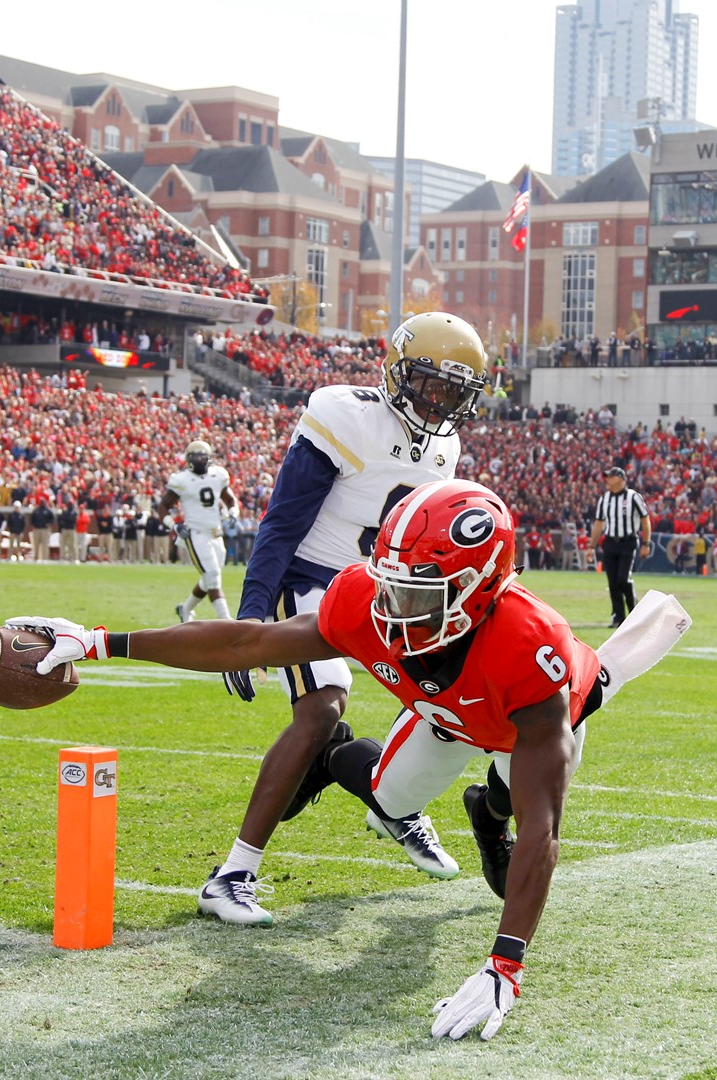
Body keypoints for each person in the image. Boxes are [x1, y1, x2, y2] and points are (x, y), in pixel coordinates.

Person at [4, 480, 691, 1042]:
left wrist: (503, 965)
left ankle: (485, 814)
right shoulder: (369, 599)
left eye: (419, 595)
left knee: (514, 800)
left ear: (481, 591)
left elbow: (546, 831)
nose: (393, 610)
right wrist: (100, 642)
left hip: (523, 721)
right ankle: (338, 757)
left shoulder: (529, 653)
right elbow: (250, 642)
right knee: (391, 802)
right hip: (443, 711)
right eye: (391, 584)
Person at [201, 311, 490, 926]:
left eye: (455, 394)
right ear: (398, 371)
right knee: (321, 707)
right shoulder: (345, 415)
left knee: (449, 700)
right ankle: (232, 874)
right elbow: (282, 521)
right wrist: (252, 619)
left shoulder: (447, 444)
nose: (440, 404)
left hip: (385, 594)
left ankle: (388, 796)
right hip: (311, 580)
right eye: (431, 385)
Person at [161, 439, 241, 623]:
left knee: (209, 577)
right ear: (188, 459)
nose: (199, 459)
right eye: (195, 456)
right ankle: (226, 621)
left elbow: (230, 499)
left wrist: (233, 512)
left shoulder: (218, 475)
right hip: (195, 534)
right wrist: (173, 525)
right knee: (212, 576)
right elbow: (163, 506)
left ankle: (185, 609)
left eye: (202, 455)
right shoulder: (181, 480)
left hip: (216, 533)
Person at [589, 466, 650, 626]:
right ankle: (618, 617)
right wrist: (591, 546)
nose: (607, 480)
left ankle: (634, 610)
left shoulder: (633, 497)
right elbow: (599, 523)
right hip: (610, 541)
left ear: (621, 479)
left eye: (611, 476)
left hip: (628, 541)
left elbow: (645, 520)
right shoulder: (605, 499)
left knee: (623, 578)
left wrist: (646, 543)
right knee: (612, 581)